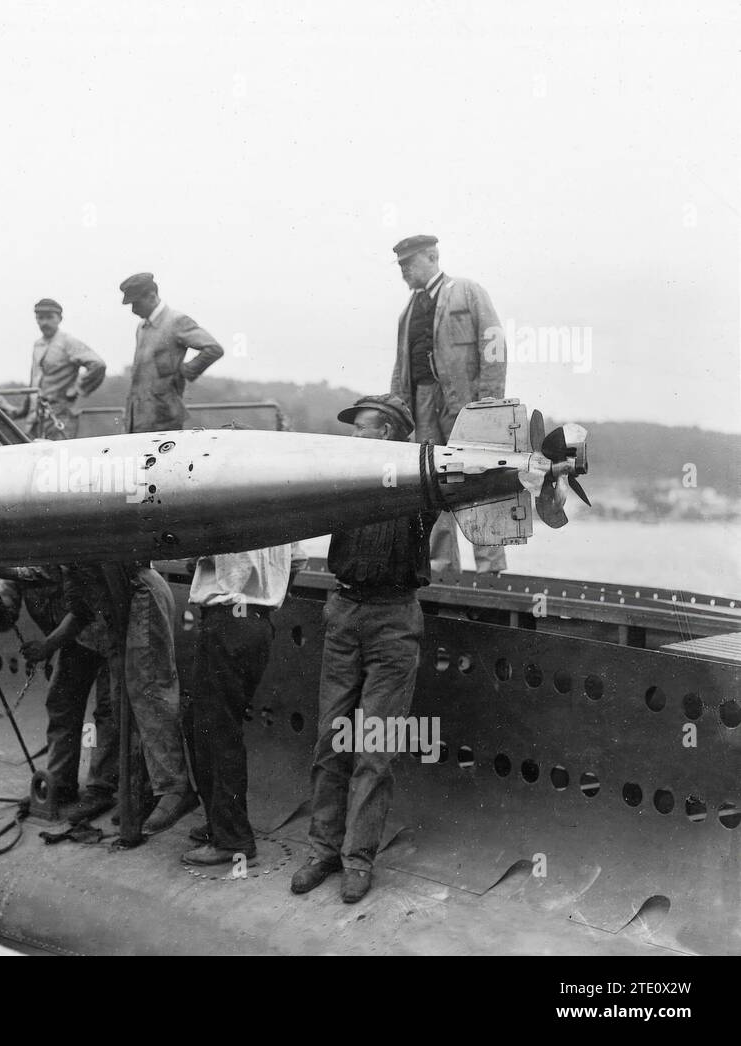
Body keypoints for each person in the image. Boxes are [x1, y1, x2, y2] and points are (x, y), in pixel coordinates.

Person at [291, 394, 437, 905]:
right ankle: (322, 851)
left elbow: (457, 479)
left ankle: (358, 858)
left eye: (363, 429)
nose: (353, 438)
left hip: (395, 618)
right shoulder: (340, 481)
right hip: (345, 611)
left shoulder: (421, 484)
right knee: (331, 740)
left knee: (374, 749)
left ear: (390, 435)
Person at [25, 560, 195, 835]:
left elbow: (55, 572)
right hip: (115, 611)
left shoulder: (72, 543)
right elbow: (81, 611)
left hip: (137, 596)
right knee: (120, 707)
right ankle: (139, 793)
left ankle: (174, 787)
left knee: (147, 690)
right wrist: (48, 646)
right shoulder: (71, 565)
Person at [181, 540, 309, 867]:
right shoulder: (283, 503)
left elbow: (191, 554)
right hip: (258, 622)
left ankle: (232, 839)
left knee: (214, 732)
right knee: (217, 725)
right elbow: (296, 561)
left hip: (226, 620)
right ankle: (221, 822)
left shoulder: (221, 498)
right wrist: (269, 598)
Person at [388, 234, 506, 574]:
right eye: (400, 266)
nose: (404, 272)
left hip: (466, 403)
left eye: (408, 264)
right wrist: (398, 411)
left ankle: (491, 568)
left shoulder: (468, 291)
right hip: (421, 403)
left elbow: (495, 341)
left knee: (480, 478)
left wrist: (490, 401)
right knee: (431, 484)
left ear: (432, 256)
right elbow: (401, 367)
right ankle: (442, 567)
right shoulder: (406, 313)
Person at [0, 566, 118, 820]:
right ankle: (61, 783)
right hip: (74, 637)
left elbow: (81, 612)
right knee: (62, 702)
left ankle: (101, 788)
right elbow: (4, 619)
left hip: (104, 625)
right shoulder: (20, 551)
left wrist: (48, 646)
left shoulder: (60, 548)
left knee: (109, 707)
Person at [118, 272, 224, 433]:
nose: (133, 310)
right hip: (137, 418)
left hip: (163, 416)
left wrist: (185, 371)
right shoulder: (142, 327)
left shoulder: (176, 321)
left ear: (152, 296)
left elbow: (213, 349)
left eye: (136, 304)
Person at [7, 298, 106, 439]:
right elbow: (35, 380)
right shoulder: (38, 345)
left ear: (59, 318)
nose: (44, 323)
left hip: (61, 416)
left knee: (58, 457)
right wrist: (24, 409)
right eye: (40, 318)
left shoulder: (68, 342)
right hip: (35, 417)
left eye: (49, 317)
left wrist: (77, 389)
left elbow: (97, 364)